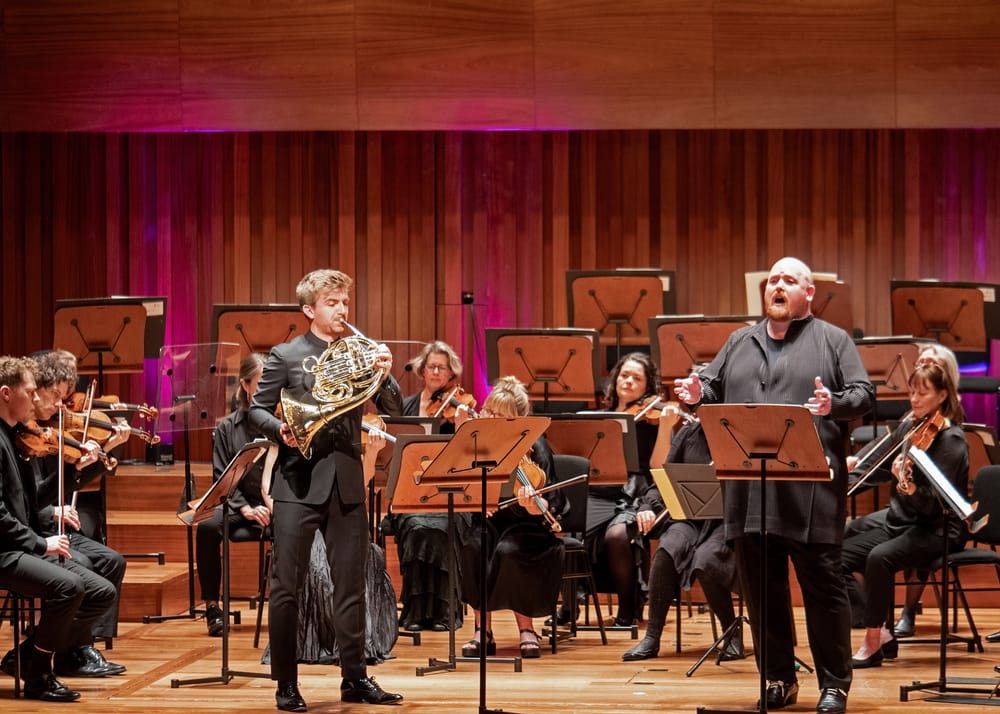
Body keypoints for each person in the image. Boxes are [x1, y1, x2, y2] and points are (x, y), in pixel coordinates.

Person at [675, 257, 874, 714]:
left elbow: (864, 394)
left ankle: (834, 685)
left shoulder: (833, 340)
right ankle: (779, 679)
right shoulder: (739, 340)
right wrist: (697, 393)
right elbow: (710, 384)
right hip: (748, 489)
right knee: (763, 592)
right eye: (772, 280)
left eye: (789, 280)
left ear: (809, 293)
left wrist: (833, 403)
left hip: (811, 492)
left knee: (823, 589)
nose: (777, 286)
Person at [249, 268, 404, 711]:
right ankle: (285, 683)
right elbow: (256, 411)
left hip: (347, 481)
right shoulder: (286, 354)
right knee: (287, 588)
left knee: (351, 586)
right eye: (333, 302)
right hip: (298, 481)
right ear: (309, 309)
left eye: (345, 302)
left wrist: (386, 373)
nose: (342, 310)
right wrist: (282, 429)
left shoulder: (361, 353)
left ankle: (354, 678)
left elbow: (393, 407)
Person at [0, 356, 117, 702]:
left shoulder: (17, 437)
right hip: (6, 551)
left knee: (102, 590)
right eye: (31, 392)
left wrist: (75, 470)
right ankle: (39, 675)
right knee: (70, 587)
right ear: (6, 393)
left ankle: (28, 656)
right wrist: (40, 543)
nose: (37, 401)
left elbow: (32, 500)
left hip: (22, 544)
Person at [841, 355, 968, 668]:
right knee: (837, 556)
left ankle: (872, 640)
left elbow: (936, 506)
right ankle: (880, 628)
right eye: (912, 392)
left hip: (938, 527)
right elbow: (879, 466)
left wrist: (910, 487)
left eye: (922, 393)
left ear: (942, 395)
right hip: (903, 521)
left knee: (878, 557)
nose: (914, 399)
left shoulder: (951, 440)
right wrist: (851, 469)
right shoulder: (912, 426)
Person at [455, 376, 567, 659]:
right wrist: (478, 502)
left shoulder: (536, 447)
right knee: (473, 546)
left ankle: (527, 630)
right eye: (489, 412)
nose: (492, 420)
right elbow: (464, 486)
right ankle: (483, 630)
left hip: (530, 525)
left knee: (510, 551)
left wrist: (532, 504)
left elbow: (549, 506)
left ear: (519, 419)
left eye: (501, 416)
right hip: (492, 519)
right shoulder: (478, 442)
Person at [564, 353, 676, 628]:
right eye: (624, 375)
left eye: (637, 378)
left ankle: (628, 609)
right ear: (614, 381)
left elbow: (658, 467)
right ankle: (569, 606)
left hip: (637, 491)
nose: (628, 381)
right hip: (601, 488)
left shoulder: (652, 420)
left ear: (647, 387)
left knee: (617, 535)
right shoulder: (598, 420)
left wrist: (665, 428)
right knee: (569, 531)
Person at [621, 418, 743, 662]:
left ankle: (732, 634)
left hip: (726, 522)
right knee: (668, 548)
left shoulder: (740, 434)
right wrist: (646, 506)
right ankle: (652, 637)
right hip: (688, 516)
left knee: (706, 559)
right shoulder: (688, 433)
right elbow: (665, 479)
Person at [386, 340, 469, 632]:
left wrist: (462, 429)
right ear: (421, 370)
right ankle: (416, 612)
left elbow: (467, 457)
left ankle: (445, 613)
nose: (435, 371)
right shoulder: (406, 406)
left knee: (444, 527)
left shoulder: (460, 408)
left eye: (442, 367)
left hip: (450, 494)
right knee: (414, 527)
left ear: (451, 374)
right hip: (412, 492)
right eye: (431, 366)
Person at [197, 352, 270, 637]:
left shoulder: (282, 424)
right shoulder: (227, 427)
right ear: (245, 385)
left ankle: (300, 607)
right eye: (261, 384)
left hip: (274, 505)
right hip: (239, 505)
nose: (267, 391)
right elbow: (222, 477)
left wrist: (271, 505)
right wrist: (245, 509)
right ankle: (213, 607)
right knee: (206, 526)